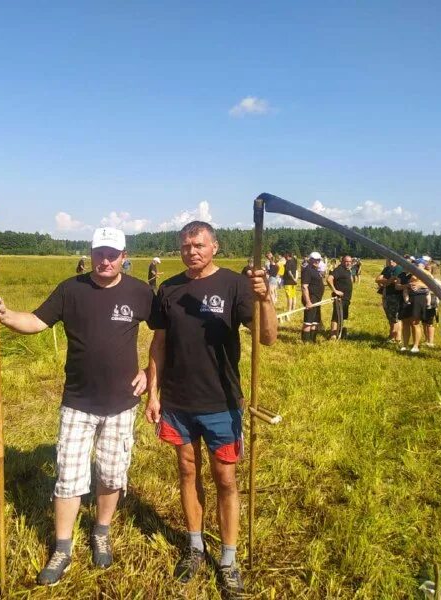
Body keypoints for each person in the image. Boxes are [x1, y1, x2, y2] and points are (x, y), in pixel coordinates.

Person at [0, 227, 153, 585]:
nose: (105, 260)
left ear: (124, 256)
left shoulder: (140, 291)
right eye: (99, 253)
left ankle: (101, 531)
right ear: (90, 254)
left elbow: (165, 334)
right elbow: (35, 321)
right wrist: (4, 313)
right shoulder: (70, 289)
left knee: (111, 472)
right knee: (69, 476)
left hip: (123, 404)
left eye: (112, 253)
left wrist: (152, 374)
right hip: (77, 402)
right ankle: (62, 547)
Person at [145, 221, 276, 599]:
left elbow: (267, 338)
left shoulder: (235, 285)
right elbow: (159, 345)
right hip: (178, 401)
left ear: (214, 247)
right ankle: (195, 547)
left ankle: (229, 559)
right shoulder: (168, 288)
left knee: (226, 480)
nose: (192, 251)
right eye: (186, 246)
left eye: (199, 244)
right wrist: (153, 393)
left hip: (221, 402)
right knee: (187, 472)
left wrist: (265, 298)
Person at [400, 261, 431, 353]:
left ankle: (415, 345)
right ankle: (405, 345)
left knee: (414, 322)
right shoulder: (408, 275)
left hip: (419, 299)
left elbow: (433, 285)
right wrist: (407, 285)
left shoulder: (426, 274)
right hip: (407, 299)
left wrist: (420, 284)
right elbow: (402, 286)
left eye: (416, 266)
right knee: (405, 322)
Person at [376, 259, 405, 345]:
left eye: (392, 259)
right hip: (387, 295)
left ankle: (395, 337)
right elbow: (377, 279)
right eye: (389, 259)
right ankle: (394, 336)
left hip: (395, 295)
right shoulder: (387, 269)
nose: (390, 261)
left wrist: (386, 281)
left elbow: (391, 281)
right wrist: (387, 281)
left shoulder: (398, 268)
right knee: (390, 317)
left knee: (395, 317)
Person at [327, 255, 353, 340]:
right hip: (339, 299)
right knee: (336, 316)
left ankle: (339, 333)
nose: (348, 263)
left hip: (346, 299)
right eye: (346, 261)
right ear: (342, 261)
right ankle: (333, 335)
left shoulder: (347, 270)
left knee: (342, 317)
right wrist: (335, 291)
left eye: (350, 261)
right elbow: (329, 279)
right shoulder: (339, 270)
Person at [301, 251, 325, 343]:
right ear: (310, 260)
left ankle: (312, 340)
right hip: (311, 299)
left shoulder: (315, 270)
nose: (317, 261)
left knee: (315, 321)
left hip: (317, 299)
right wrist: (308, 301)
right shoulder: (307, 270)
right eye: (315, 259)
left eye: (318, 260)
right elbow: (304, 286)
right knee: (308, 321)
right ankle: (306, 342)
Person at [281, 251, 298, 320]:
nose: (284, 257)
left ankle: (289, 311)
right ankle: (293, 309)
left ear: (287, 256)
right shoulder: (294, 261)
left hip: (288, 281)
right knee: (294, 296)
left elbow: (289, 272)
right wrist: (296, 279)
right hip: (294, 282)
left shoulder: (288, 262)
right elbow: (296, 271)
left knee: (289, 297)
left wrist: (293, 279)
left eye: (285, 255)